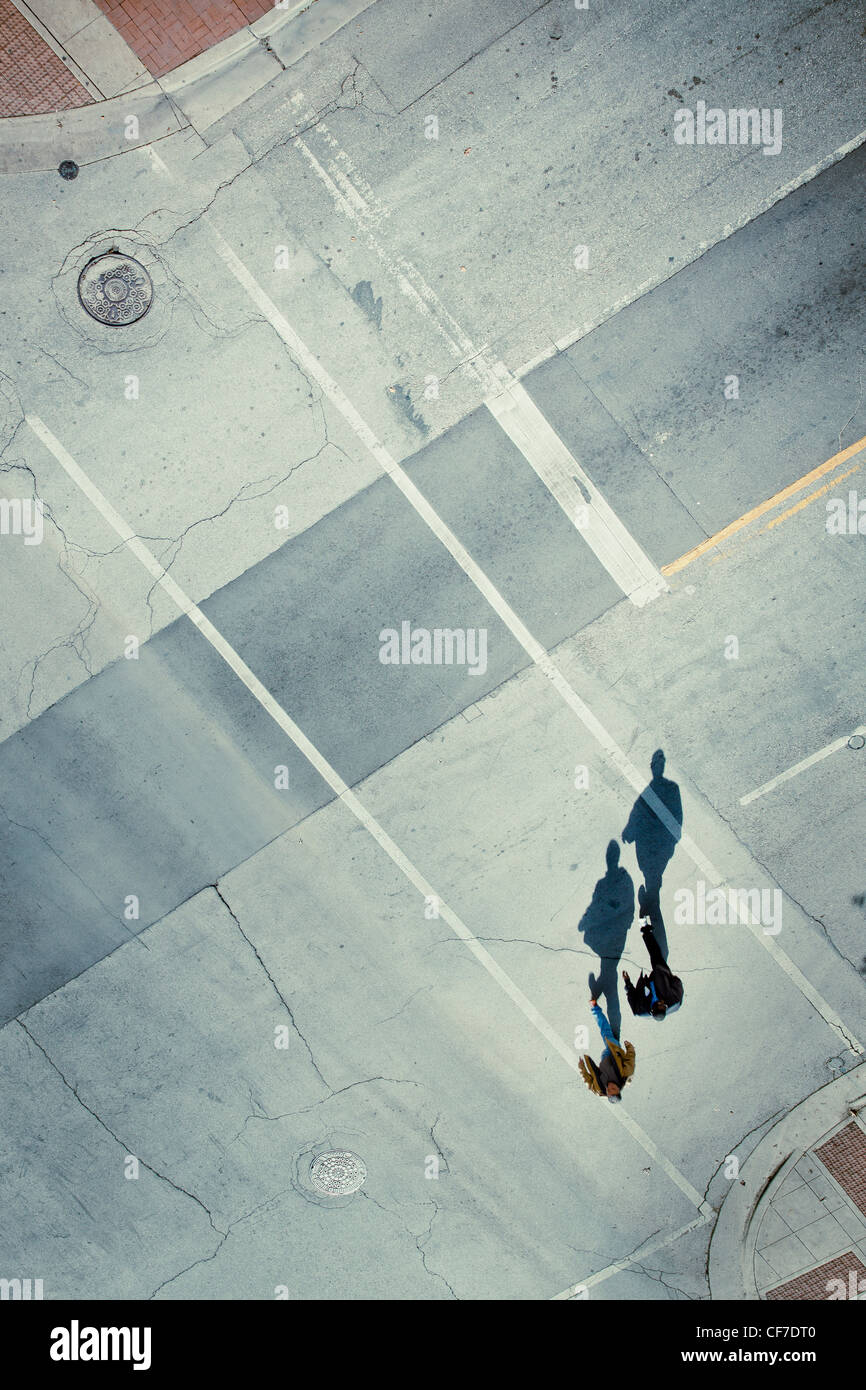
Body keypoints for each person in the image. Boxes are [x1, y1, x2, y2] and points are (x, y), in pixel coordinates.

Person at [623, 900, 684, 1020]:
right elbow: (678, 984)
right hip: (662, 975)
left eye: (659, 1004)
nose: (662, 1002)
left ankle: (646, 930)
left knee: (656, 955)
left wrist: (628, 983)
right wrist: (669, 977)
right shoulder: (675, 1002)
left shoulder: (640, 1011)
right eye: (663, 1005)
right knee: (656, 955)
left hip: (649, 983)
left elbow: (632, 998)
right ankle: (645, 928)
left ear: (652, 1009)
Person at [578, 998, 635, 1102]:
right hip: (615, 1051)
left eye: (608, 1090)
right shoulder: (625, 1075)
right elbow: (630, 1060)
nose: (610, 1087)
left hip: (604, 1057)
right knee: (606, 1033)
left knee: (611, 1034)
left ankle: (614, 1033)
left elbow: (588, 1081)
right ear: (619, 1090)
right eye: (613, 1088)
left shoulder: (598, 1090)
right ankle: (595, 1009)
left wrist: (582, 1067)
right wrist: (629, 1047)